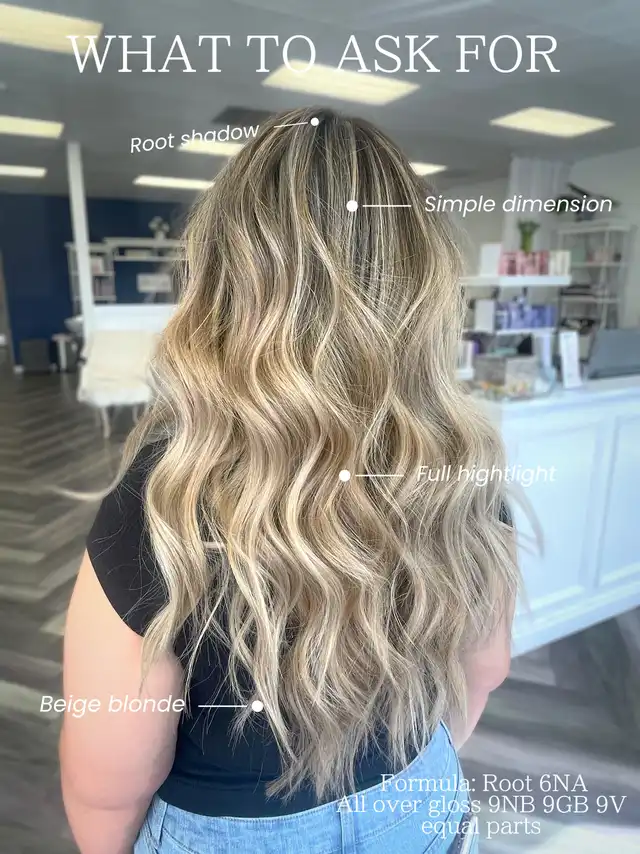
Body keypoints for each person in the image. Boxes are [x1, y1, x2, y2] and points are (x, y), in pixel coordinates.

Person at [60, 107, 518, 854]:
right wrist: (397, 782)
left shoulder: (165, 494)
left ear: (221, 279)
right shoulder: (461, 463)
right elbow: (485, 666)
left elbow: (109, 777)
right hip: (423, 800)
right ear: (424, 279)